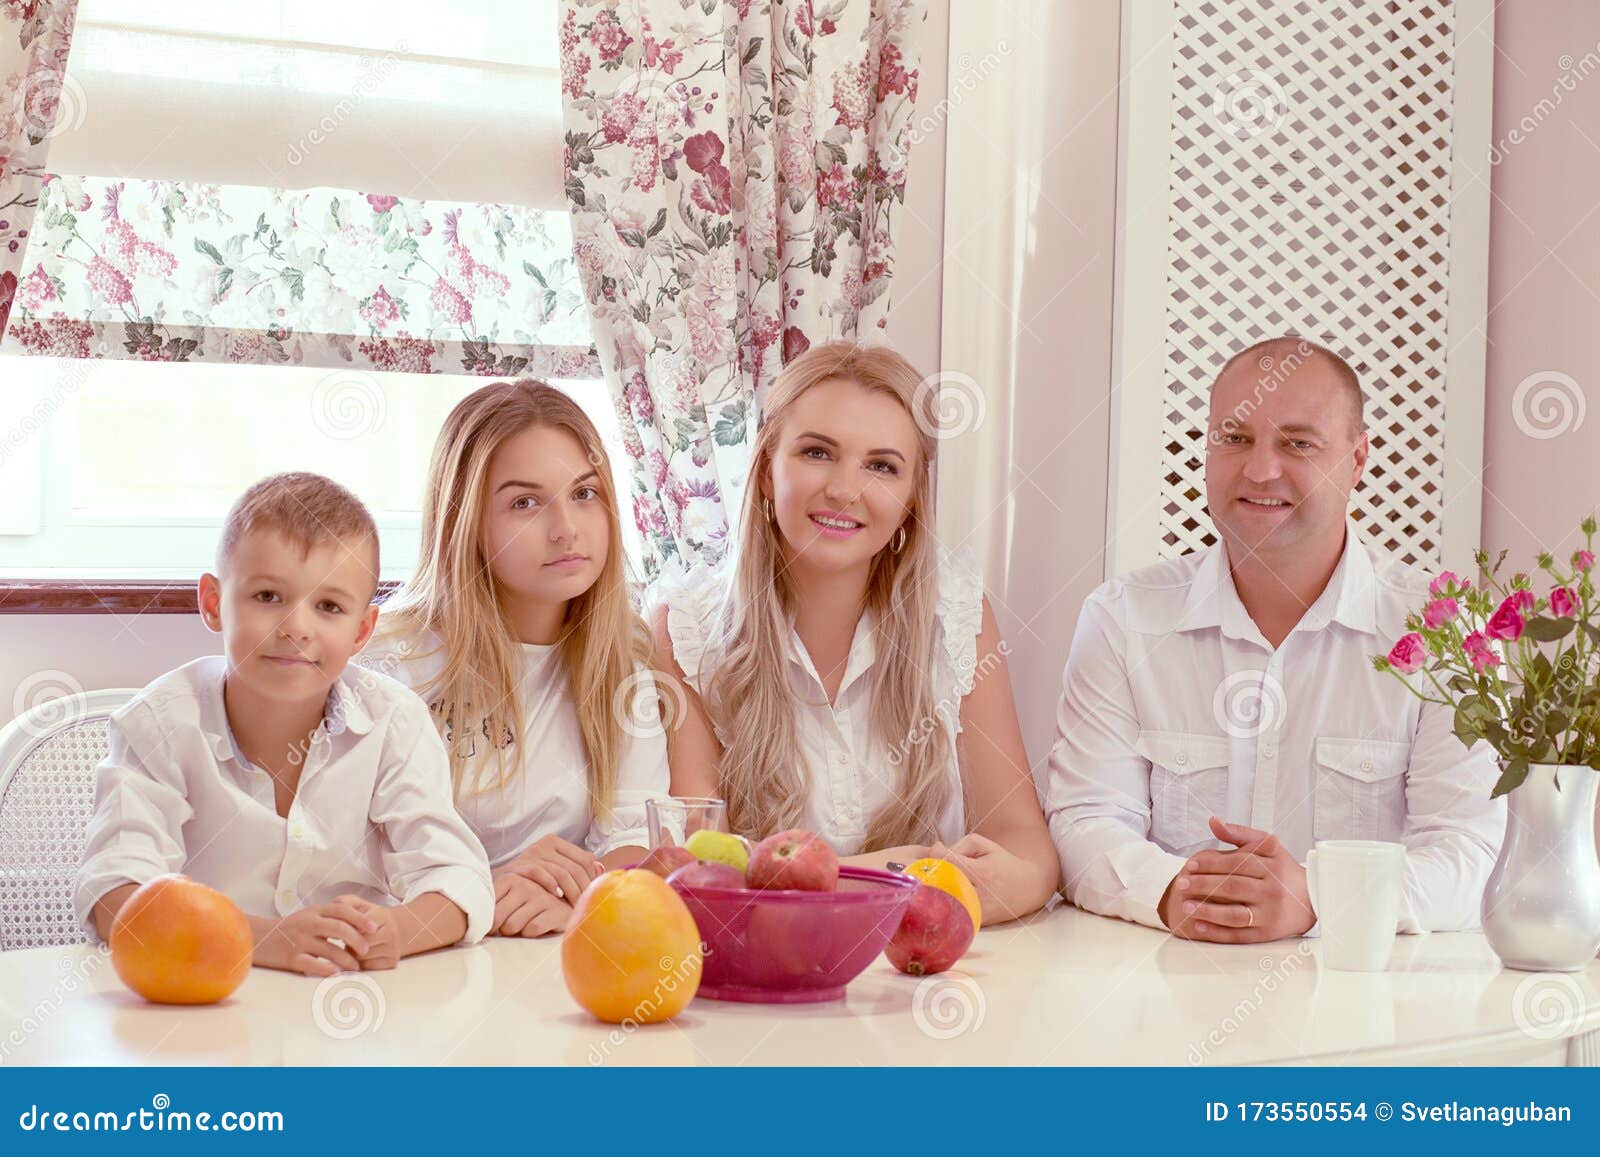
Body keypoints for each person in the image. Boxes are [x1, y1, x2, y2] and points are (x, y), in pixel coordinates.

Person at [1040, 335, 1504, 942]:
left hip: (1370, 1013)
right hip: (1164, 1005)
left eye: (1298, 443)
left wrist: (1317, 900)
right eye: (1234, 439)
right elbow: (1083, 821)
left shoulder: (1447, 634)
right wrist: (1178, 892)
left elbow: (1468, 857)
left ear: (1358, 459)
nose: (1260, 470)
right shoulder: (1122, 618)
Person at [650, 341, 1059, 924]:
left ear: (912, 499)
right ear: (767, 470)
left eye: (881, 466)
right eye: (818, 452)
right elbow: (697, 870)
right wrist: (909, 873)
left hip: (921, 972)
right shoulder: (684, 630)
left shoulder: (959, 614)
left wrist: (1014, 880)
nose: (845, 489)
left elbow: (1026, 847)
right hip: (759, 976)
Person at [75, 473, 494, 975]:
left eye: (329, 607)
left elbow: (460, 878)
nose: (297, 627)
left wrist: (399, 931)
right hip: (202, 1016)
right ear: (213, 603)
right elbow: (111, 896)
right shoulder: (160, 725)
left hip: (355, 1014)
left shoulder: (395, 724)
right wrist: (267, 941)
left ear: (362, 630)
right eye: (268, 596)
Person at [361, 381, 668, 938]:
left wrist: (579, 896)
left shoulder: (625, 665)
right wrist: (487, 885)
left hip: (547, 960)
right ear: (466, 524)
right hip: (414, 966)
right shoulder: (387, 667)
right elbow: (348, 864)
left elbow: (636, 839)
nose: (567, 529)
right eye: (525, 503)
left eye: (584, 494)